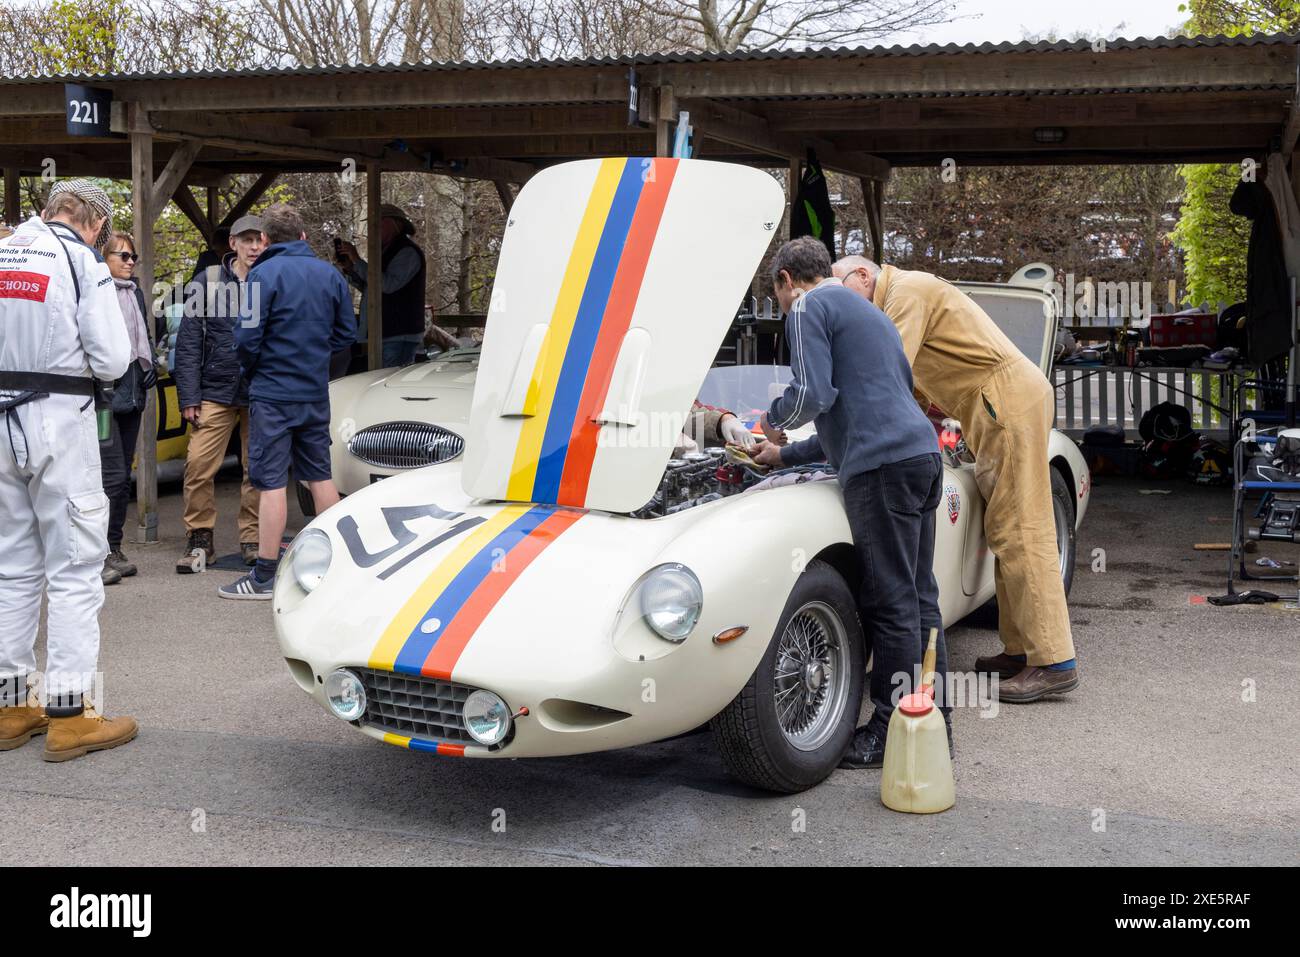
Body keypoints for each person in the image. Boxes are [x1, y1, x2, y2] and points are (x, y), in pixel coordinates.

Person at [833, 255, 1079, 703]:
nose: (836, 306)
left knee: (1023, 531)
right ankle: (1021, 649)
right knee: (1006, 530)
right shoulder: (905, 293)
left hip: (1005, 403)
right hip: (999, 404)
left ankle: (1052, 661)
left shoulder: (903, 295)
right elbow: (918, 388)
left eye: (837, 291)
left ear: (863, 276)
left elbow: (890, 373)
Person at [751, 237, 947, 769]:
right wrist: (785, 454)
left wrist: (770, 420)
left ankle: (888, 729)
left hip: (881, 470)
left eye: (778, 296)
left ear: (787, 280)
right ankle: (931, 718)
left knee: (890, 602)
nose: (783, 307)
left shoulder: (810, 306)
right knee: (920, 596)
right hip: (921, 459)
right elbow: (856, 412)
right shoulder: (868, 312)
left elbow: (814, 394)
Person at [0, 179, 138, 760]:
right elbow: (111, 357)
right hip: (60, 420)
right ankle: (70, 714)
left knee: (12, 565)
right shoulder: (82, 262)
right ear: (96, 224)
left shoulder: (4, 248)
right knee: (77, 566)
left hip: (2, 420)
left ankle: (10, 706)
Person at [221, 204, 355, 599]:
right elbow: (347, 333)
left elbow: (246, 339)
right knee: (320, 475)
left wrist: (257, 368)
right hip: (313, 390)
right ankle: (339, 569)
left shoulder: (262, 274)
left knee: (272, 481)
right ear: (303, 237)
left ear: (264, 239)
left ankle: (264, 575)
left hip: (273, 393)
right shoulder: (329, 274)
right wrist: (314, 358)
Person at [173, 215, 265, 572]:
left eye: (259, 240)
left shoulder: (271, 281)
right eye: (247, 240)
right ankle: (200, 539)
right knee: (198, 466)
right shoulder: (208, 281)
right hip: (213, 390)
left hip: (259, 390)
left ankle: (253, 539)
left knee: (256, 468)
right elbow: (189, 342)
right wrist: (188, 397)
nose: (253, 247)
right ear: (234, 245)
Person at [98, 232, 158, 585]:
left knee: (121, 478)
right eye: (123, 255)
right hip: (104, 400)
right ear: (104, 257)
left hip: (132, 395)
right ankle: (100, 554)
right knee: (110, 477)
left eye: (133, 256)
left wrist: (147, 367)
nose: (130, 261)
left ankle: (114, 547)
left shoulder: (133, 292)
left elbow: (144, 336)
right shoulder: (96, 292)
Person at [336, 204, 427, 367]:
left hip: (398, 336)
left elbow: (387, 285)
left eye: (377, 223)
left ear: (393, 223)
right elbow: (372, 288)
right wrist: (351, 270)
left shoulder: (407, 252)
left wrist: (357, 260)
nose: (372, 229)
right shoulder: (385, 251)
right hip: (386, 335)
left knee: (387, 385)